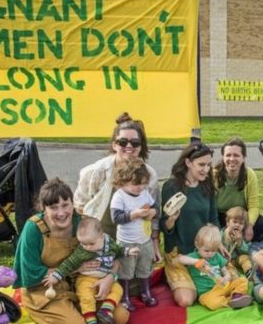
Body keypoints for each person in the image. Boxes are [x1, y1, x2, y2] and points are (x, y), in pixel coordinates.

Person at [14, 178, 130, 324]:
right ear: (44, 208)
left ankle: (77, 313)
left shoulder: (82, 223)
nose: (61, 213)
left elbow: (114, 254)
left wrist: (109, 278)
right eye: (53, 207)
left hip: (81, 284)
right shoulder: (33, 229)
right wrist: (75, 269)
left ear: (72, 203)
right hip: (45, 289)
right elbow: (29, 274)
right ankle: (48, 318)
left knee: (120, 317)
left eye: (65, 205)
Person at [74, 112, 160, 253]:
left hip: (136, 242)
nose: (129, 146)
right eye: (123, 142)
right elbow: (79, 207)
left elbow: (155, 213)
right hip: (101, 242)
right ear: (114, 145)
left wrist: (155, 243)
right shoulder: (95, 171)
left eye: (135, 143)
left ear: (141, 146)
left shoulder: (150, 174)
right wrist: (88, 240)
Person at [42, 216, 135, 324]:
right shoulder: (82, 251)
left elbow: (118, 250)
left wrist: (128, 251)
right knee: (86, 296)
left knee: (118, 289)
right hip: (87, 278)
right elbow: (68, 264)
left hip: (104, 276)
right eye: (83, 243)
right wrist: (55, 276)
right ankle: (91, 322)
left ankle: (106, 310)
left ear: (101, 236)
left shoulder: (109, 243)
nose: (87, 247)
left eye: (91, 243)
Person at [160, 142, 219, 307]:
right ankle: (174, 275)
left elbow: (213, 220)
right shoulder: (171, 187)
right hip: (180, 255)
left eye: (208, 165)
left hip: (204, 251)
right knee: (186, 300)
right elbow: (165, 227)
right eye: (201, 165)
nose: (206, 170)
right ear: (188, 162)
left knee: (229, 283)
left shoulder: (207, 185)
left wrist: (217, 241)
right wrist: (171, 218)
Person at [110, 156, 158, 310]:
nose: (140, 187)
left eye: (143, 183)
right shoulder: (119, 196)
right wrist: (134, 214)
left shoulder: (144, 193)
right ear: (123, 181)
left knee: (145, 267)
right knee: (126, 269)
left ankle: (145, 291)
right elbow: (116, 217)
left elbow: (155, 206)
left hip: (145, 240)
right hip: (127, 242)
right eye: (135, 184)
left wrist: (152, 211)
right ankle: (125, 296)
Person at [178, 225, 252, 310]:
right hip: (208, 293)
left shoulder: (217, 256)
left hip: (222, 286)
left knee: (243, 280)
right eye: (206, 251)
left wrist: (227, 277)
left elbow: (224, 270)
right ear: (197, 244)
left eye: (213, 250)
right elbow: (180, 259)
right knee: (213, 303)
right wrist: (195, 262)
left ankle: (236, 295)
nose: (210, 254)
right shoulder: (194, 256)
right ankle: (231, 301)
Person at [213, 137, 263, 241]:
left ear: (243, 158)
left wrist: (249, 226)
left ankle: (246, 245)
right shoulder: (214, 175)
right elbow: (209, 207)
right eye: (228, 155)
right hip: (219, 216)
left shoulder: (249, 175)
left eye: (236, 155)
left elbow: (254, 206)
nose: (232, 159)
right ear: (223, 157)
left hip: (240, 216)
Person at [221, 206, 253, 277]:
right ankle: (234, 277)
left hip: (235, 259)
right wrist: (227, 237)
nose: (237, 225)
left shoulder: (241, 236)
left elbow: (246, 251)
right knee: (229, 268)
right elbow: (216, 246)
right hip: (223, 260)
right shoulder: (222, 234)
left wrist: (239, 242)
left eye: (241, 223)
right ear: (228, 223)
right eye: (234, 222)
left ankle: (249, 272)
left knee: (244, 258)